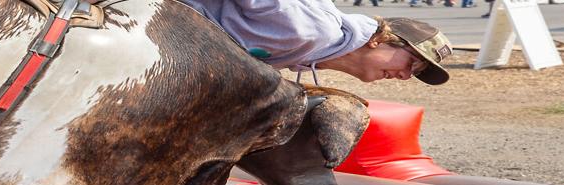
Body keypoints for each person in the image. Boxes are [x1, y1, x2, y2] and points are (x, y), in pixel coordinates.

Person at [179, 1, 452, 85]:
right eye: (411, 63)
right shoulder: (310, 29)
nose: (404, 76)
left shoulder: (314, 48)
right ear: (382, 39)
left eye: (414, 74)